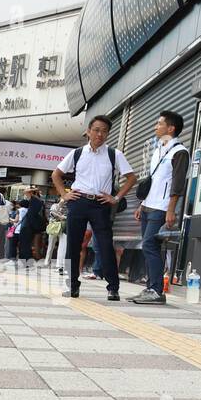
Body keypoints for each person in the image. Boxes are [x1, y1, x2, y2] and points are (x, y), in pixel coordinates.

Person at [53, 117, 137, 300]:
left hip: (100, 204)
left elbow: (131, 178)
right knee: (73, 246)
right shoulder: (77, 153)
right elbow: (56, 174)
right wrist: (64, 194)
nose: (100, 134)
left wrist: (115, 197)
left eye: (104, 131)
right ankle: (72, 286)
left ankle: (113, 288)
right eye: (97, 130)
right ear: (89, 131)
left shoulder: (114, 154)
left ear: (108, 133)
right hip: (78, 202)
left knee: (105, 245)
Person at [130, 111, 189, 305]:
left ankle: (156, 291)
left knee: (150, 245)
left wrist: (171, 210)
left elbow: (177, 185)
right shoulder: (158, 150)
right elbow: (153, 181)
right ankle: (150, 288)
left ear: (170, 128)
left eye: (159, 124)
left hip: (162, 208)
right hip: (148, 206)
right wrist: (142, 204)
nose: (156, 127)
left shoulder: (179, 152)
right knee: (148, 247)